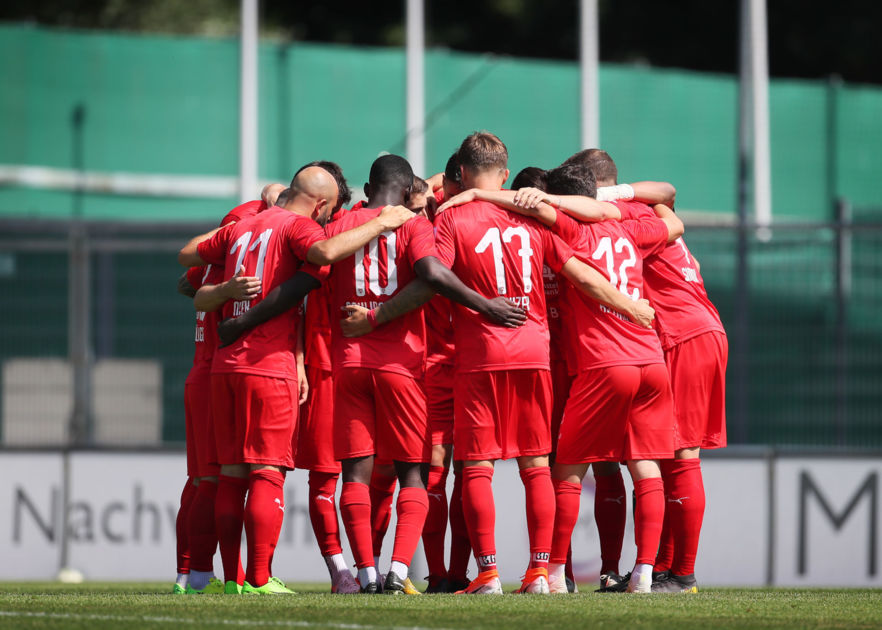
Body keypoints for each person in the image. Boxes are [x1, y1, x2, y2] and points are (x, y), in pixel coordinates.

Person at [216, 154, 526, 595]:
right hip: (401, 366)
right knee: (412, 476)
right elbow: (432, 274)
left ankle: (365, 573)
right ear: (404, 193)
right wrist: (487, 305)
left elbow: (306, 277)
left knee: (355, 476)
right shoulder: (413, 225)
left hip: (348, 365)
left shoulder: (337, 228)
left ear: (366, 188)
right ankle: (399, 571)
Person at [428, 132, 656, 595]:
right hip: (534, 352)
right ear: (505, 175)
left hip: (481, 354)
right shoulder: (534, 223)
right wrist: (630, 307)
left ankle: (488, 572)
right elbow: (582, 276)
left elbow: (436, 275)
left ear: (462, 173)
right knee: (537, 465)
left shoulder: (453, 217)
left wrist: (481, 304)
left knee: (476, 466)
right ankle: (538, 572)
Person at [177, 165, 415, 594]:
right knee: (268, 472)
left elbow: (188, 264)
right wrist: (381, 221)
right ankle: (261, 578)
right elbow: (323, 255)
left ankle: (231, 580)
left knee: (229, 475)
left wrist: (229, 284)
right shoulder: (298, 228)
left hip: (225, 366)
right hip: (270, 364)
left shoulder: (241, 227)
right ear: (321, 205)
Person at [496, 160, 683, 594]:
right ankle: (642, 574)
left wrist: (478, 194)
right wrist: (620, 199)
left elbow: (535, 213)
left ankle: (555, 573)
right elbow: (672, 219)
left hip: (604, 364)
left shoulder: (570, 232)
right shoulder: (631, 229)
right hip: (651, 360)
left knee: (566, 473)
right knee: (646, 466)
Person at [572, 149, 727, 593]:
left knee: (680, 456)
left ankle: (682, 573)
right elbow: (669, 193)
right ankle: (662, 568)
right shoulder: (649, 208)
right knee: (664, 457)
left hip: (681, 335)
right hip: (702, 329)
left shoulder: (616, 216)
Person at [171, 185, 284, 595]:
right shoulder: (241, 266)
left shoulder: (216, 265)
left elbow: (187, 284)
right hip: (223, 372)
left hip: (205, 374)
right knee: (220, 480)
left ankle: (193, 575)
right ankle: (215, 574)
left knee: (204, 482)